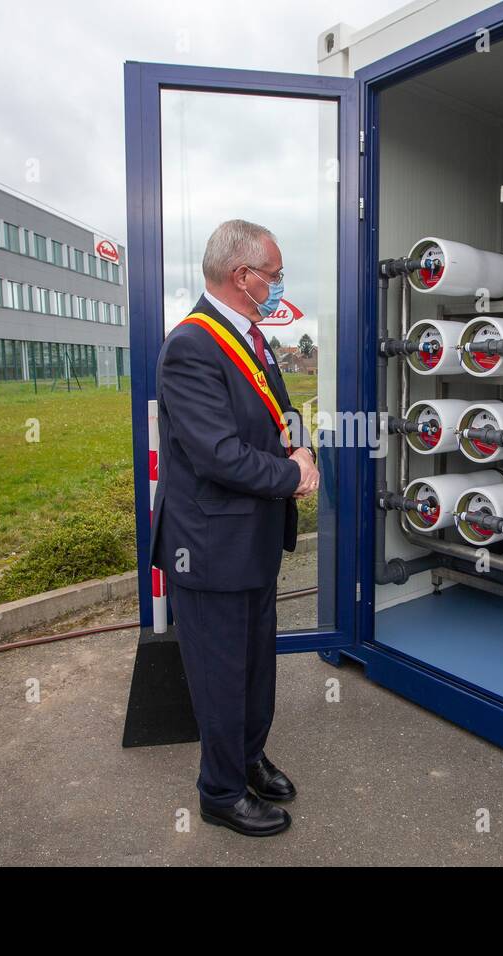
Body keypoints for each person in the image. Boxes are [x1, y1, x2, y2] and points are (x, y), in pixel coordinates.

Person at [151, 219, 319, 837]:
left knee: (254, 667)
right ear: (241, 276)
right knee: (221, 675)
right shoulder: (192, 345)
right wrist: (290, 476)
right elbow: (217, 453)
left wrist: (303, 450)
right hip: (210, 547)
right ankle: (219, 791)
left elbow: (282, 410)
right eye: (273, 276)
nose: (278, 286)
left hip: (250, 540)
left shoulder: (249, 336)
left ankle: (246, 758)